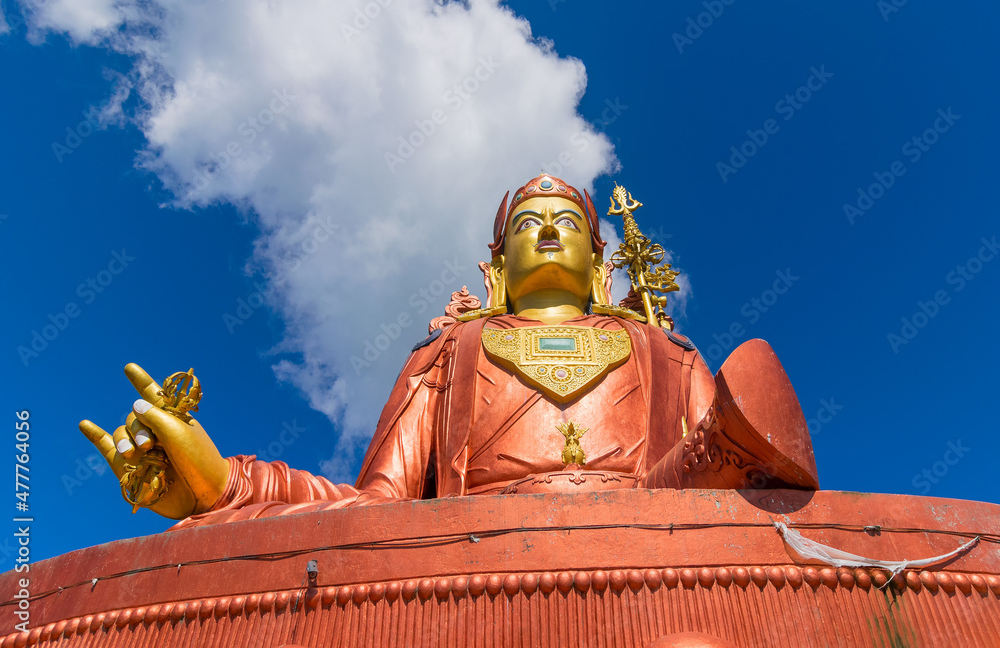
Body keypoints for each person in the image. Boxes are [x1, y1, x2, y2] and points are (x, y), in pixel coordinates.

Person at [80, 174, 819, 529]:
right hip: (475, 557)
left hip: (653, 550)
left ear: (601, 266)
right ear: (497, 265)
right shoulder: (450, 352)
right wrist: (222, 485)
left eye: (570, 222)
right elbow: (378, 509)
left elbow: (729, 492)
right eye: (531, 222)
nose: (552, 229)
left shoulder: (666, 352)